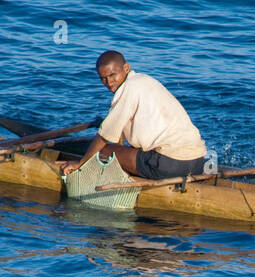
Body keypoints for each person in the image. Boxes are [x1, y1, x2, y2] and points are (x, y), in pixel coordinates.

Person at [58, 50, 208, 180]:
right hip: (198, 163)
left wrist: (82, 162)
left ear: (126, 68)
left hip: (171, 164)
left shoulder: (128, 88)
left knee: (102, 151)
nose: (109, 82)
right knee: (120, 149)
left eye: (112, 75)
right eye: (103, 78)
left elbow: (105, 135)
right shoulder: (144, 80)